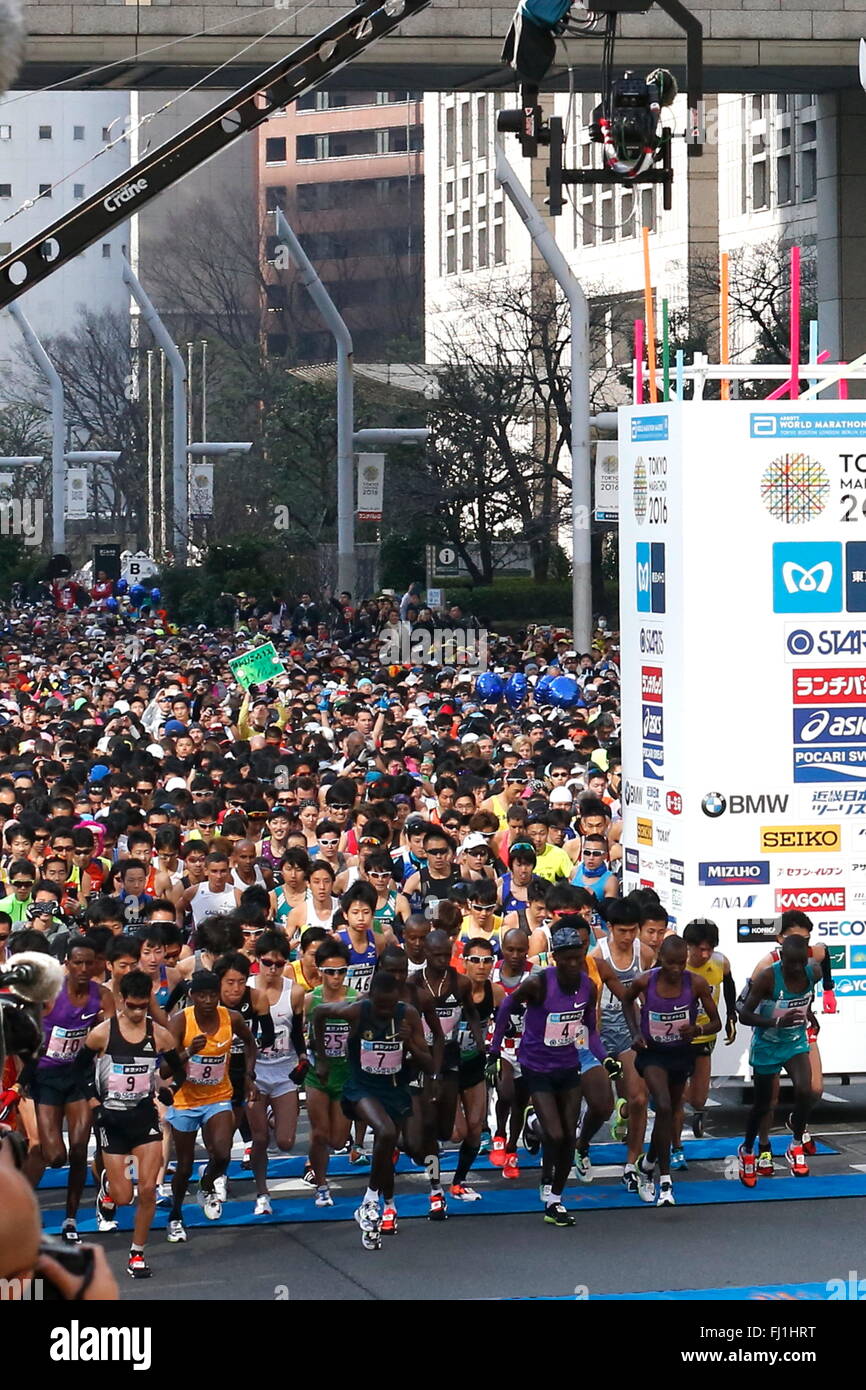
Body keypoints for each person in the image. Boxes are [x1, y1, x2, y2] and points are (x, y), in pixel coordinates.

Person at [488, 920, 620, 1226]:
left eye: (578, 956)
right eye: (567, 958)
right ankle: (536, 1127)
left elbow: (587, 1029)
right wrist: (494, 1051)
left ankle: (554, 1198)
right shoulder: (540, 982)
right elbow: (507, 1005)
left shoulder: (588, 985)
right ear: (555, 958)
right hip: (536, 1066)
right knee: (557, 1133)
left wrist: (604, 1058)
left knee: (567, 1137)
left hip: (568, 1064)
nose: (574, 964)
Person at [310, 970, 433, 1248]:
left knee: (387, 1146)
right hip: (362, 1087)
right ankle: (368, 1200)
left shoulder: (408, 1015)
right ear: (371, 997)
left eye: (390, 1006)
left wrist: (411, 1041)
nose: (385, 1011)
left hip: (395, 1090)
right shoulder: (356, 1011)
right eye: (380, 1005)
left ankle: (383, 1207)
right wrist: (321, 1057)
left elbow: (428, 1062)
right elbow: (319, 1012)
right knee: (386, 1132)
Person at [77, 969, 183, 1278]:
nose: (137, 1012)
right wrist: (94, 1104)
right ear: (122, 1000)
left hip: (143, 1117)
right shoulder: (103, 1033)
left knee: (148, 1189)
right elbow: (80, 1071)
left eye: (143, 1005)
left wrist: (169, 1092)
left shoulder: (159, 1035)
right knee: (124, 1197)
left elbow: (180, 1070)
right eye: (132, 1005)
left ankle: (137, 1254)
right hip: (112, 1119)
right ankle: (109, 1189)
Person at [622, 935, 721, 1206]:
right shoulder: (646, 980)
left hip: (680, 1054)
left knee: (672, 1108)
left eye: (680, 963)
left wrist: (697, 1029)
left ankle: (649, 1162)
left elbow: (716, 1022)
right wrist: (635, 1032)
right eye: (670, 964)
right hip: (652, 1054)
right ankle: (664, 1180)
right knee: (663, 1106)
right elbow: (626, 1001)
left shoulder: (696, 983)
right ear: (660, 960)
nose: (676, 969)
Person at [28, 935, 113, 1244]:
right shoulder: (49, 993)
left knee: (79, 1150)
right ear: (66, 963)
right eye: (77, 962)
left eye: (89, 963)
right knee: (55, 1156)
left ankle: (70, 1218)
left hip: (79, 1078)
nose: (83, 968)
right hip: (47, 1078)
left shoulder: (102, 996)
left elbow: (111, 1037)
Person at [162, 970, 257, 1242]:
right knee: (183, 1166)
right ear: (191, 996)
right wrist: (189, 1051)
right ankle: (176, 1214)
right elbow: (166, 1069)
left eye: (212, 995)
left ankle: (207, 1183)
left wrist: (250, 1076)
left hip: (218, 1096)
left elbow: (251, 1043)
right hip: (186, 1101)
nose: (207, 1000)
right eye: (201, 995)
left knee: (224, 1154)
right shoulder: (180, 1022)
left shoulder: (232, 1018)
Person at [737, 933, 822, 1187]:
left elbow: (808, 995)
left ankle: (795, 1145)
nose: (796, 970)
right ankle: (748, 1150)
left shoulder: (812, 972)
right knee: (763, 1105)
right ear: (781, 957)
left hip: (794, 1042)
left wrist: (810, 1014)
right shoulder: (768, 977)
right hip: (767, 1044)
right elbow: (744, 1015)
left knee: (806, 1090)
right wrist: (775, 1021)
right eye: (791, 964)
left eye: (800, 964)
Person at [410, 928, 484, 1214]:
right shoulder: (413, 983)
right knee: (439, 1130)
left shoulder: (461, 983)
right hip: (421, 1059)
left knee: (461, 1128)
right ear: (426, 954)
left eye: (446, 955)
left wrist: (479, 1040)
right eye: (436, 955)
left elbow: (472, 1013)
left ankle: (452, 1177)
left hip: (452, 1056)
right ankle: (435, 1186)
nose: (442, 960)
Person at [591, 898, 655, 1190]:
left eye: (633, 930)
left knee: (640, 1098)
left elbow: (645, 993)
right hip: (602, 1028)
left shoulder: (644, 952)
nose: (628, 937)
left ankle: (632, 1163)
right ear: (609, 928)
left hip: (631, 1028)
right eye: (622, 931)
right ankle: (581, 1146)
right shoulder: (598, 954)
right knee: (600, 1105)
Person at [248, 931, 307, 1215]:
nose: (272, 969)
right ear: (256, 960)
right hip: (255, 1071)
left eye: (279, 963)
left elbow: (297, 1031)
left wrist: (304, 1056)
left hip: (284, 1069)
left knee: (285, 1142)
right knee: (259, 1139)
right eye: (267, 962)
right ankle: (262, 1192)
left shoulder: (293, 991)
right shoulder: (244, 989)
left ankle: (272, 1116)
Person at [670, 918, 737, 1165]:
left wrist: (731, 1014)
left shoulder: (720, 962)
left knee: (699, 1099)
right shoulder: (676, 965)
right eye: (699, 949)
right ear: (687, 946)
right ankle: (675, 1143)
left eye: (709, 948)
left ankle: (680, 1100)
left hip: (705, 1033)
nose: (704, 954)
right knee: (675, 1092)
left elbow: (729, 984)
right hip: (677, 1035)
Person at [303, 938, 357, 1207]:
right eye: (330, 972)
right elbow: (298, 1034)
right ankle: (321, 1184)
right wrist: (307, 1055)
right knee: (320, 1133)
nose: (336, 977)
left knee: (337, 1140)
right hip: (317, 1075)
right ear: (319, 971)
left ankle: (319, 1166)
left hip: (344, 1075)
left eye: (341, 971)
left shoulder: (355, 998)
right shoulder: (309, 1000)